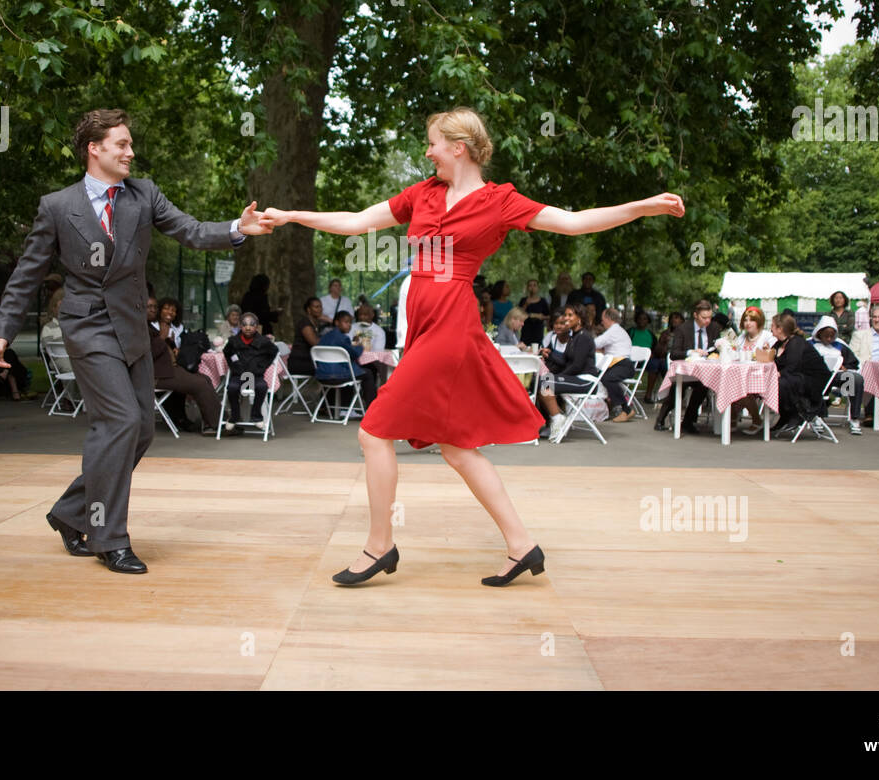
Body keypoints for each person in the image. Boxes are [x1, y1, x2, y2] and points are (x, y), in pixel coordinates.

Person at [262, 106, 684, 585]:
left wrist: (641, 207)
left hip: (451, 326)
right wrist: (292, 215)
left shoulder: (500, 202)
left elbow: (572, 222)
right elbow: (358, 221)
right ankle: (522, 545)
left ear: (458, 147)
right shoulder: (423, 193)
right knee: (457, 446)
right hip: (423, 322)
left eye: (433, 144)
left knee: (374, 431)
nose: (428, 153)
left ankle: (379, 546)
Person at [0, 108, 271, 575]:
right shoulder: (57, 206)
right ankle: (109, 537)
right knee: (119, 422)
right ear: (93, 148)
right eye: (121, 144)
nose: (130, 151)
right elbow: (27, 274)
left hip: (132, 331)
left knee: (140, 429)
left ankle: (72, 512)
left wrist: (237, 229)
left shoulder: (144, 194)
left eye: (130, 143)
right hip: (88, 328)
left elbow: (191, 231)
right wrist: (3, 330)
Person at [653, 300, 719, 433]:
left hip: (704, 371)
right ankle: (661, 418)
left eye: (709, 317)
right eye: (704, 317)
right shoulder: (683, 329)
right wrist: (691, 352)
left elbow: (716, 350)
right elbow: (674, 354)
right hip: (685, 370)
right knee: (678, 388)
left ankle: (688, 421)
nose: (707, 321)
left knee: (703, 387)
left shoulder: (714, 328)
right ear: (695, 315)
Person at [536, 304, 598, 441]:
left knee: (546, 382)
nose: (566, 318)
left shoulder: (583, 337)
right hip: (576, 378)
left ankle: (557, 418)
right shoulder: (574, 337)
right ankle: (556, 418)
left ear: (579, 318)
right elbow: (564, 362)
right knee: (541, 381)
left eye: (570, 315)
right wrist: (549, 355)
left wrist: (558, 377)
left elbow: (576, 366)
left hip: (586, 381)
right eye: (566, 315)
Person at [152, 315, 221, 435]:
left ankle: (219, 421)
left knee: (205, 379)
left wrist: (173, 346)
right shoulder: (142, 329)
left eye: (154, 306)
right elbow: (150, 353)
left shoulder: (160, 328)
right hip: (159, 375)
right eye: (149, 306)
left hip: (171, 369)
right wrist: (162, 337)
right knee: (199, 384)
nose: (152, 309)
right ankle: (215, 425)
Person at [771, 313, 832, 434]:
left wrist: (778, 373)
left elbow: (793, 366)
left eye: (772, 326)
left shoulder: (796, 343)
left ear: (780, 328)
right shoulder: (779, 344)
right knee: (776, 382)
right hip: (798, 377)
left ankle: (795, 414)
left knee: (781, 383)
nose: (770, 329)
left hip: (814, 380)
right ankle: (785, 416)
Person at [220, 312, 280, 429]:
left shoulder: (263, 341)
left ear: (256, 326)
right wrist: (234, 365)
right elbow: (227, 353)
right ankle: (235, 415)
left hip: (256, 375)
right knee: (231, 388)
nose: (248, 327)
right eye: (244, 324)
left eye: (251, 325)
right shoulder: (233, 341)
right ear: (240, 326)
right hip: (239, 374)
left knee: (262, 387)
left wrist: (261, 366)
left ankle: (256, 415)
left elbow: (274, 351)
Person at [314, 309, 379, 412]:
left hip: (323, 375)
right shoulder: (343, 338)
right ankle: (372, 409)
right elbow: (355, 354)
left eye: (350, 322)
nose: (349, 325)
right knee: (368, 373)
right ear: (337, 323)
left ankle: (332, 407)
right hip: (339, 376)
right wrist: (360, 346)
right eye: (346, 322)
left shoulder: (324, 337)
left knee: (350, 372)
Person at [811, 315, 863, 435]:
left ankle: (854, 418)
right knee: (817, 381)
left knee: (856, 380)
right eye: (826, 336)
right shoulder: (810, 344)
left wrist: (846, 368)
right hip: (818, 376)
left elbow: (853, 363)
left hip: (838, 376)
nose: (829, 339)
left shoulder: (840, 345)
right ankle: (818, 416)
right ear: (819, 333)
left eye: (832, 336)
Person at [729, 306, 776, 434]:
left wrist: (766, 350)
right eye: (746, 320)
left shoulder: (768, 337)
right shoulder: (742, 337)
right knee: (729, 383)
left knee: (744, 388)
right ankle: (732, 416)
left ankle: (757, 420)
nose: (748, 323)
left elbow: (771, 356)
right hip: (739, 374)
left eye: (752, 320)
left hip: (759, 376)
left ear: (759, 321)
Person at [593, 307, 637, 422]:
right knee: (600, 376)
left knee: (607, 378)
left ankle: (625, 409)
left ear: (608, 318)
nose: (601, 322)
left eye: (603, 319)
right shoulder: (617, 331)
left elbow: (596, 343)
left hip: (623, 365)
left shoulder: (613, 331)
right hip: (621, 364)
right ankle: (610, 408)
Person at [644, 310, 683, 403]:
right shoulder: (665, 333)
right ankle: (648, 394)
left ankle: (669, 394)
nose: (674, 320)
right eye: (672, 318)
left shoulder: (684, 333)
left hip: (677, 358)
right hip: (663, 357)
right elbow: (657, 351)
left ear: (682, 320)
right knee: (654, 363)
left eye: (676, 318)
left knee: (665, 365)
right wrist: (662, 342)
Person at [288, 296, 325, 375]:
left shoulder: (316, 323)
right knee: (329, 367)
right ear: (309, 310)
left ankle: (329, 387)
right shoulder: (305, 324)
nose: (320, 309)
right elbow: (315, 343)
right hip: (300, 363)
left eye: (321, 307)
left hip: (310, 360)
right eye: (316, 307)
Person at [518, 279, 550, 347]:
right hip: (526, 330)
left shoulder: (542, 301)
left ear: (538, 288)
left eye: (534, 285)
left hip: (538, 330)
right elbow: (518, 314)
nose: (532, 287)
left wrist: (541, 317)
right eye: (530, 285)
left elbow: (548, 316)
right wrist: (526, 304)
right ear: (527, 288)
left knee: (536, 348)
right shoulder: (523, 300)